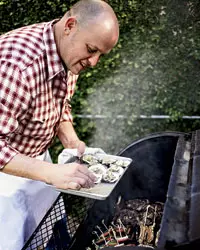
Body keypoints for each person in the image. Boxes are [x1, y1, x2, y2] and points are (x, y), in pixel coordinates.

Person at [0, 0, 119, 249]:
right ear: (70, 26)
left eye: (100, 54)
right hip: (4, 184)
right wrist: (51, 173)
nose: (94, 62)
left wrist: (72, 142)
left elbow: (58, 105)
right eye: (91, 49)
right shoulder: (16, 67)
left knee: (53, 236)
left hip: (36, 163)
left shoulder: (67, 52)